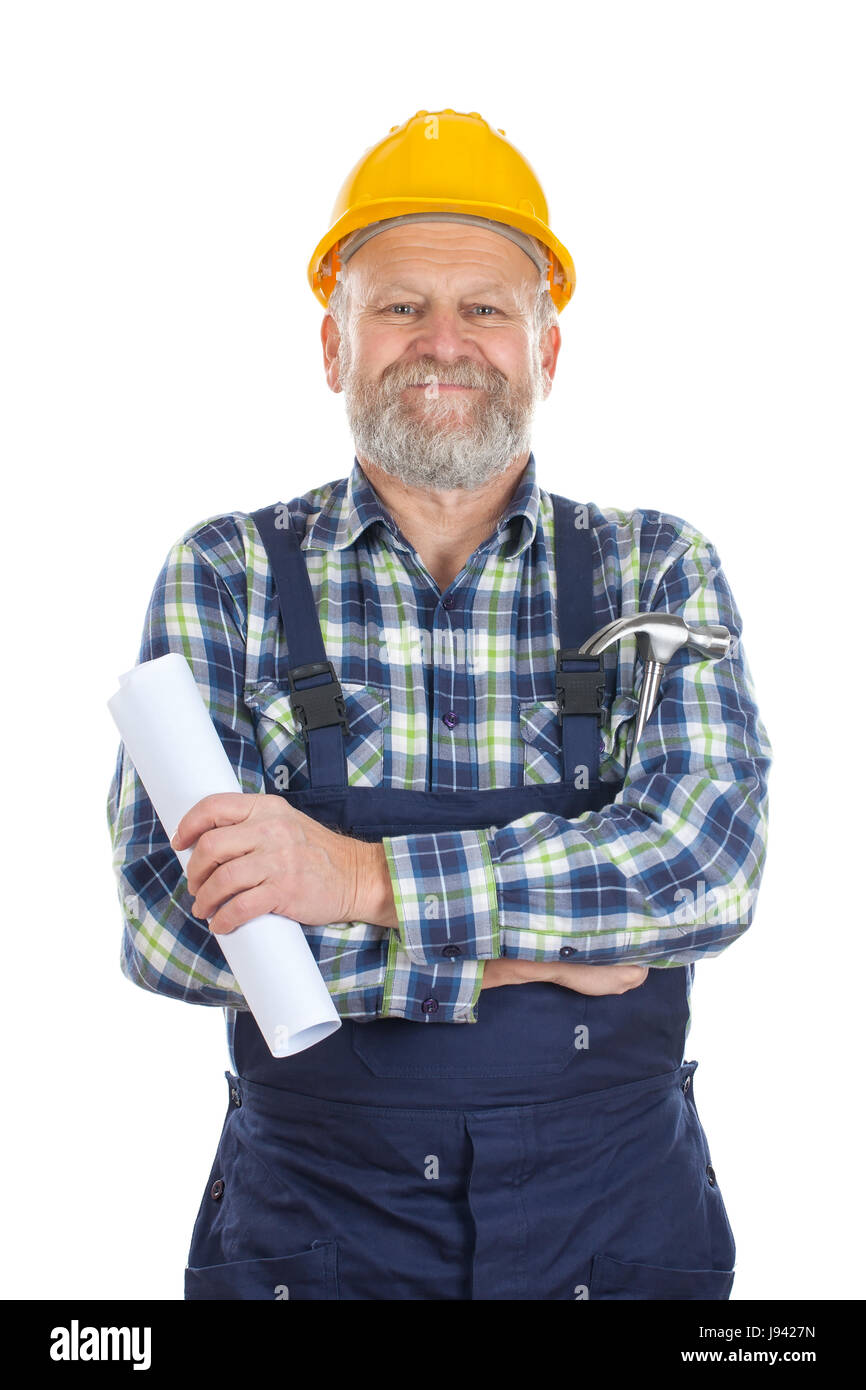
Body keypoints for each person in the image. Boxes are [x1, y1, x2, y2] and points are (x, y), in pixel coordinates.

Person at [106, 109, 772, 1301]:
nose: (442, 342)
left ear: (545, 348)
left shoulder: (654, 568)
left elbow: (705, 868)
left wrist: (355, 886)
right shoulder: (226, 573)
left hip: (614, 1231)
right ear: (333, 343)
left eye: (485, 308)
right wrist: (525, 957)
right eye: (399, 305)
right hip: (313, 1237)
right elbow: (167, 923)